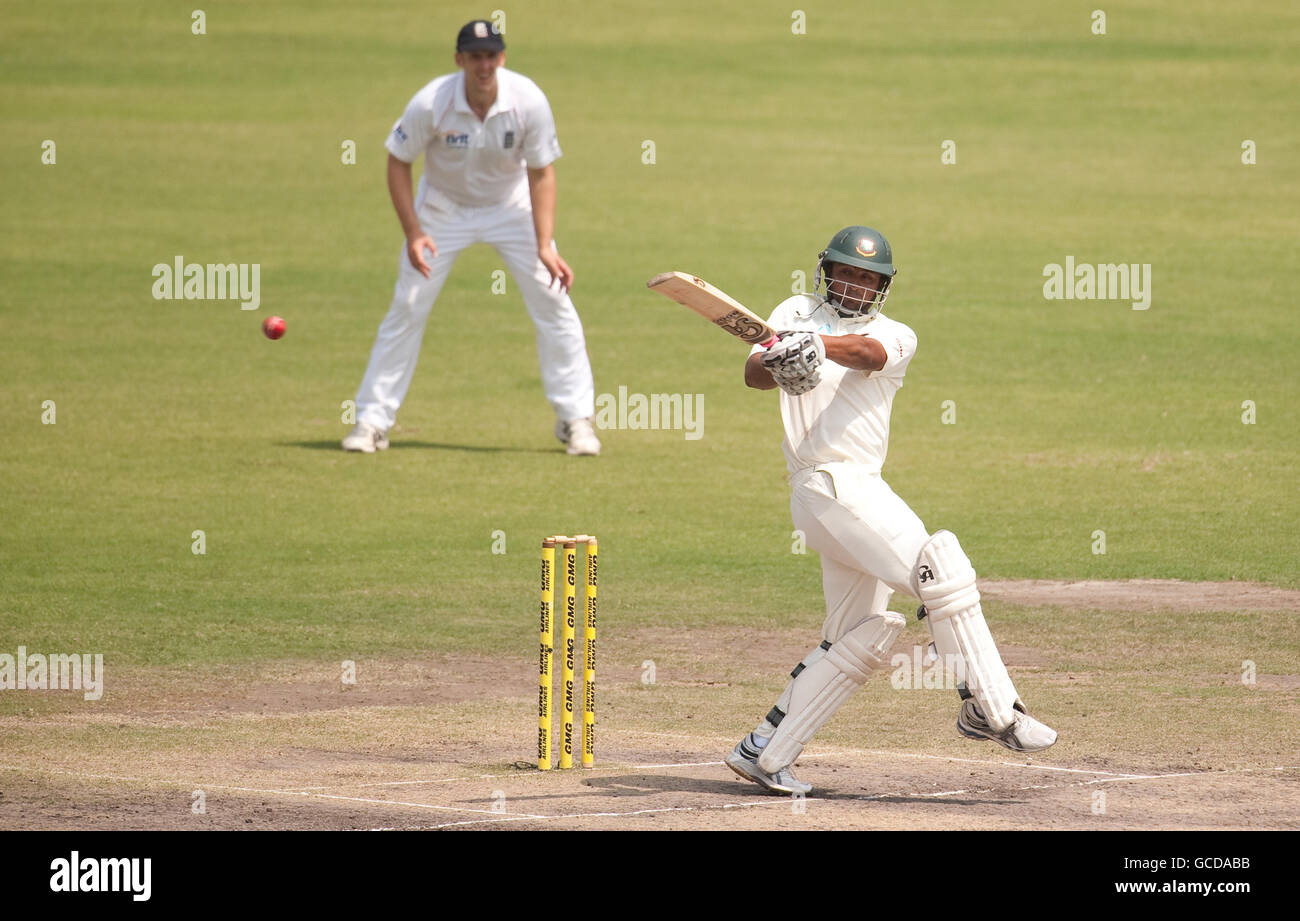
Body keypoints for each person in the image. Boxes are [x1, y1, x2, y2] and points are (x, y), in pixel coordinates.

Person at [724, 226, 1057, 795]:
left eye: (868, 277)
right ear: (827, 272)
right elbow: (754, 375)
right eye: (846, 272)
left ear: (883, 286)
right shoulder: (796, 310)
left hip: (854, 489)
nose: (855, 285)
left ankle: (764, 748)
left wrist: (814, 346)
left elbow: (867, 355)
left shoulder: (896, 334)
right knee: (941, 569)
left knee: (857, 634)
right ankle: (990, 709)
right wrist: (778, 356)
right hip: (827, 484)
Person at [343, 20, 600, 456]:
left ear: (502, 58)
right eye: (475, 56)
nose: (484, 64)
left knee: (554, 300)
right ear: (459, 60)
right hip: (443, 209)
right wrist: (414, 232)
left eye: (491, 55)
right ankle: (371, 421)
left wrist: (544, 244)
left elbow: (541, 172)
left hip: (511, 207)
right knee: (407, 305)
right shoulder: (431, 103)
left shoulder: (528, 101)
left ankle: (576, 420)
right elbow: (398, 161)